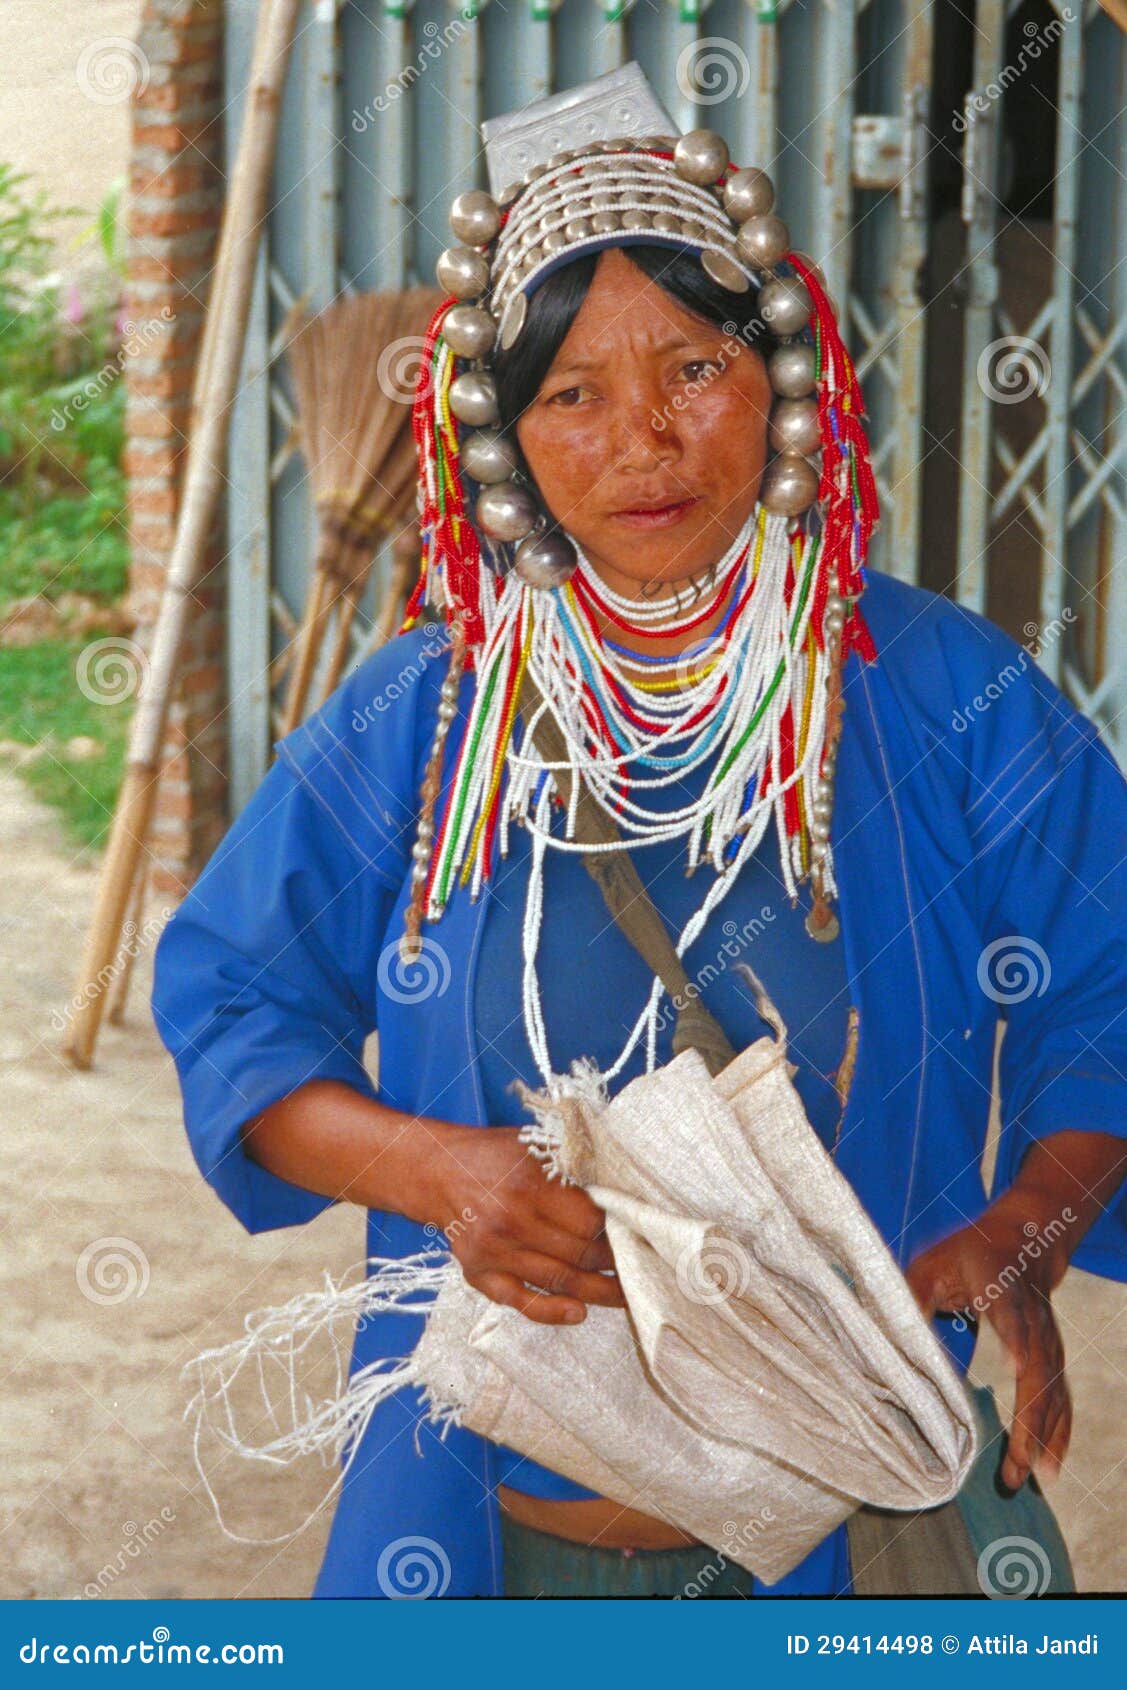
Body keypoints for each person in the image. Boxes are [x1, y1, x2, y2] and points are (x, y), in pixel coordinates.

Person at [151, 67, 1127, 1599]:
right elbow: (232, 1010)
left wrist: (1024, 1227)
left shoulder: (949, 698)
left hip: (856, 1524)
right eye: (573, 394)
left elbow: (1106, 994)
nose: (643, 440)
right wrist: (439, 1173)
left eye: (693, 368)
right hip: (469, 1531)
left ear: (788, 378)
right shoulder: (423, 717)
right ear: (504, 440)